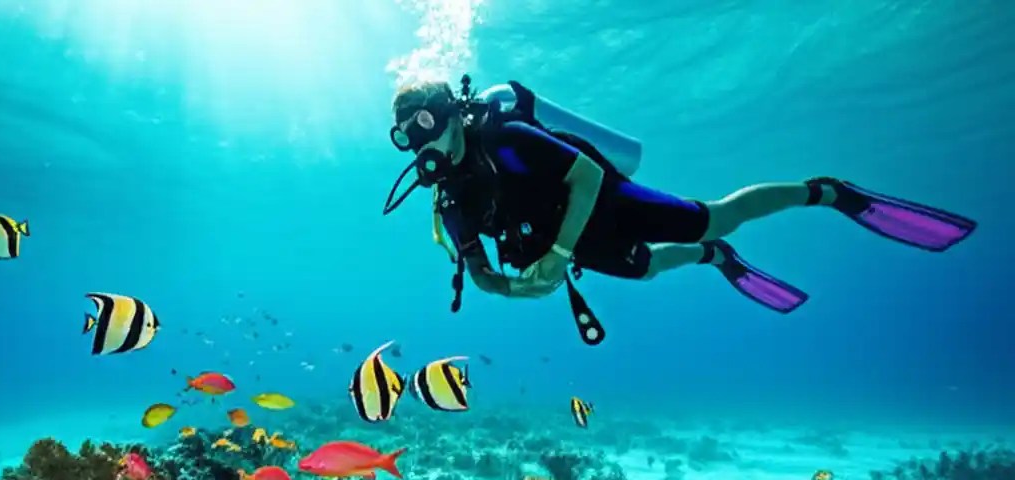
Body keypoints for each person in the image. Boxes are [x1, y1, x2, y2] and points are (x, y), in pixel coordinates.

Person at [381, 76, 978, 344]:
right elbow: (478, 272)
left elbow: (586, 174)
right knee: (647, 270)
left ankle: (824, 191)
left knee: (717, 214)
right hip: (570, 247)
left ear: (452, 114)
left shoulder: (507, 139)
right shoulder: (449, 199)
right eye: (407, 137)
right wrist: (519, 290)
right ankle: (712, 259)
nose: (422, 143)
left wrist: (558, 255)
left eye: (427, 124)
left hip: (603, 202)